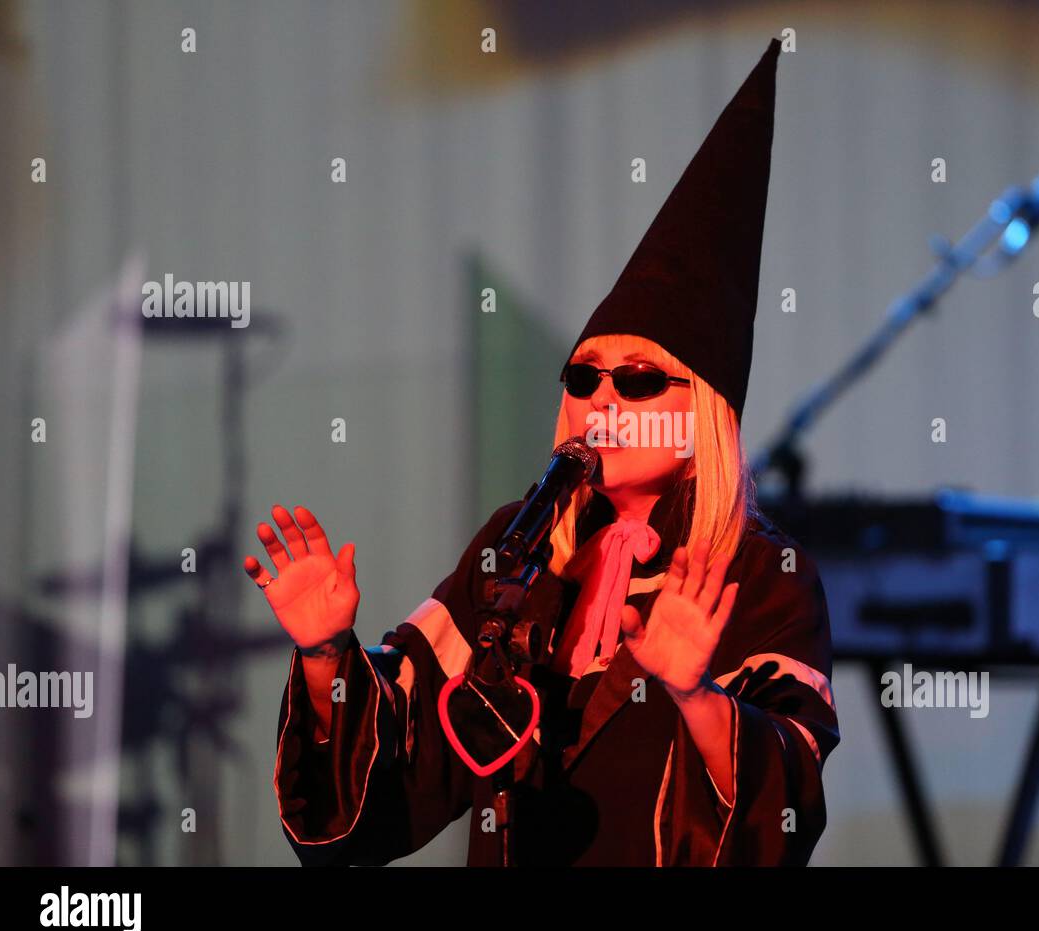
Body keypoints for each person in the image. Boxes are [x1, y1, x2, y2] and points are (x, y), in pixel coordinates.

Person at [244, 37, 839, 866]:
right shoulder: (516, 551)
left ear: (700, 414)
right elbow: (406, 771)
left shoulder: (759, 575)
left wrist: (695, 695)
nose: (600, 399)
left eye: (637, 382)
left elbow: (783, 816)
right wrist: (324, 657)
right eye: (583, 375)